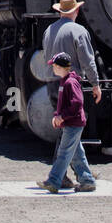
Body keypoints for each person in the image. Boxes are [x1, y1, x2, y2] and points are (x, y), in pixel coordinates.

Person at [36, 53, 97, 193]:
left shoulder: (70, 82)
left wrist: (62, 116)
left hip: (73, 123)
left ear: (60, 67)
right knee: (76, 154)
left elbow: (77, 103)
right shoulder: (65, 81)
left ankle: (53, 181)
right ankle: (87, 181)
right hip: (71, 122)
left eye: (54, 66)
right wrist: (57, 115)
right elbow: (64, 104)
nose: (53, 68)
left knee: (63, 153)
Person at [41, 0, 103, 106]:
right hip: (69, 83)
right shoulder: (79, 31)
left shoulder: (48, 31)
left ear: (60, 11)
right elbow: (87, 62)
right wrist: (95, 84)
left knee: (61, 118)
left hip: (51, 84)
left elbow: (46, 57)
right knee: (74, 121)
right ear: (77, 10)